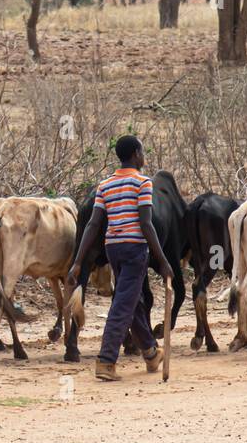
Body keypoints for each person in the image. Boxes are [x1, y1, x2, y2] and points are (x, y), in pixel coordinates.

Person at [67, 135, 172, 381]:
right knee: (123, 305)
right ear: (136, 153)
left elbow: (93, 225)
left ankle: (150, 352)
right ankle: (106, 361)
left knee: (132, 301)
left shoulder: (105, 185)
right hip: (135, 249)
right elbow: (146, 224)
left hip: (113, 248)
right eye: (143, 152)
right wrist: (163, 259)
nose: (144, 156)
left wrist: (78, 261)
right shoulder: (143, 183)